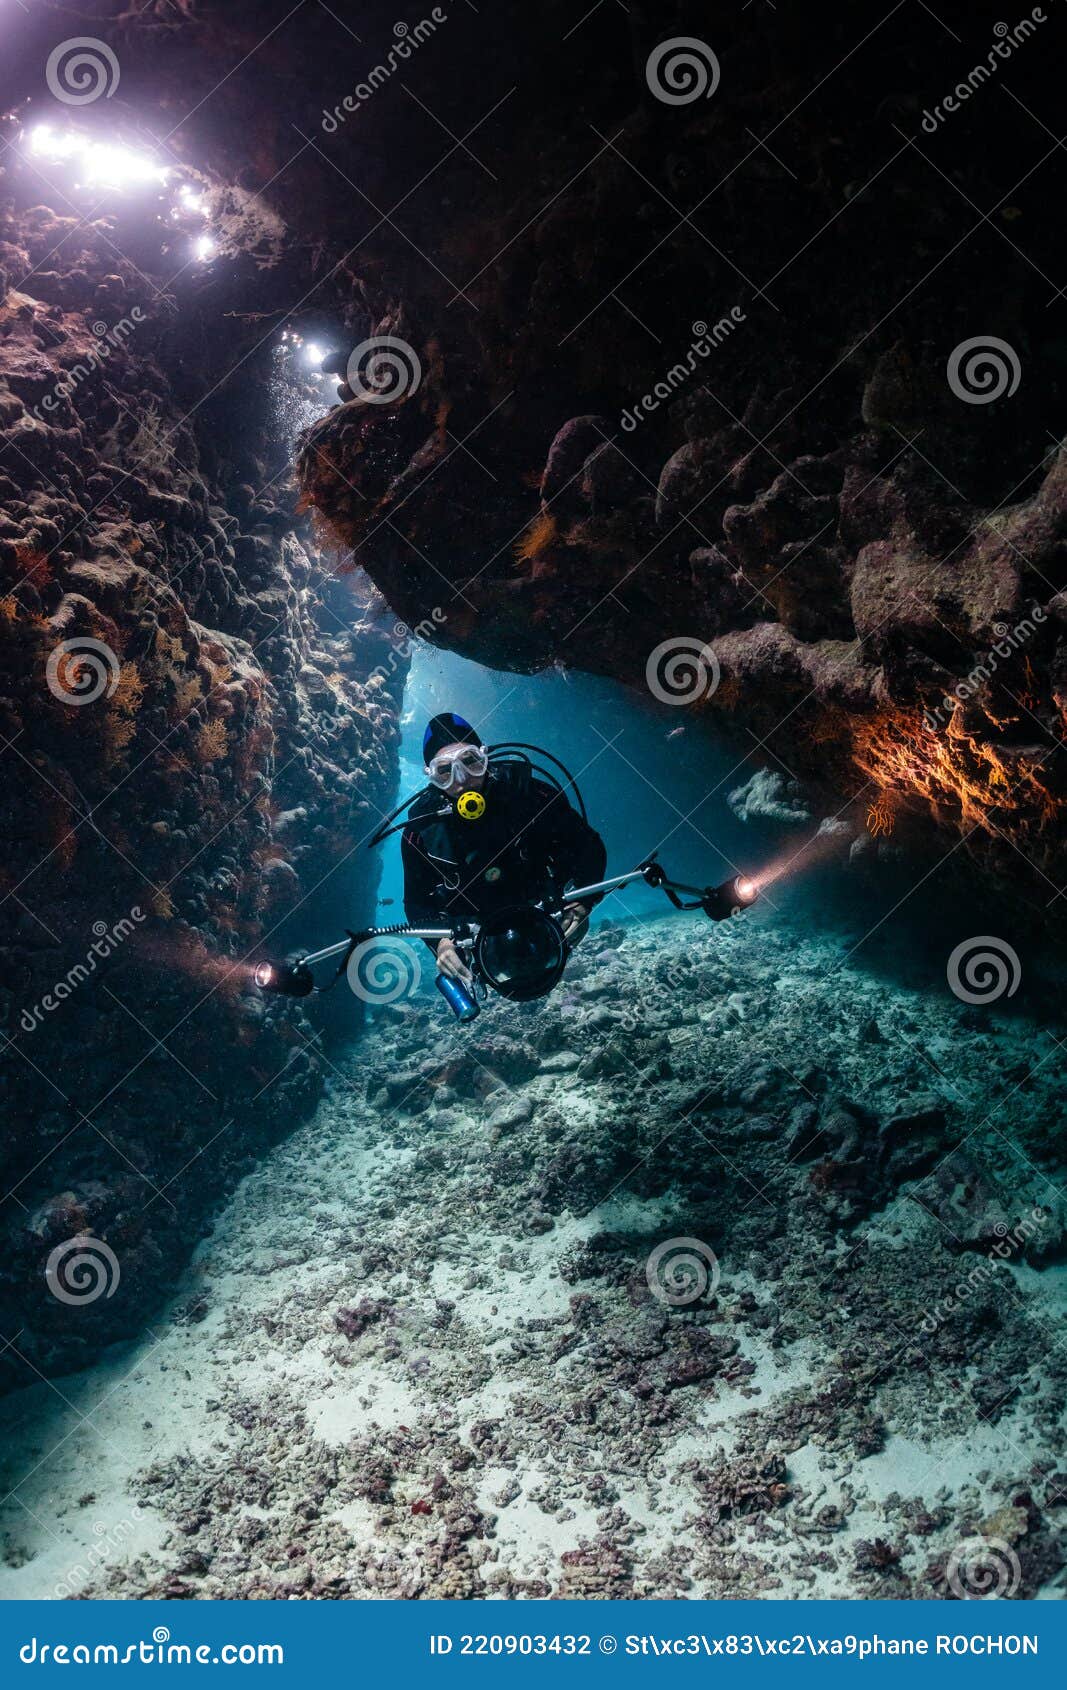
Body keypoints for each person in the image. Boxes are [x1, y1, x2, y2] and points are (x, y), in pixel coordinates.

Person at [402, 712, 607, 986]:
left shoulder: (531, 795)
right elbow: (416, 903)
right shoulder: (420, 831)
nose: (462, 781)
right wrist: (439, 943)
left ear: (485, 759)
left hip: (544, 910)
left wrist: (583, 902)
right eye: (445, 771)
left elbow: (588, 846)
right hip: (478, 931)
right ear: (431, 776)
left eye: (470, 762)